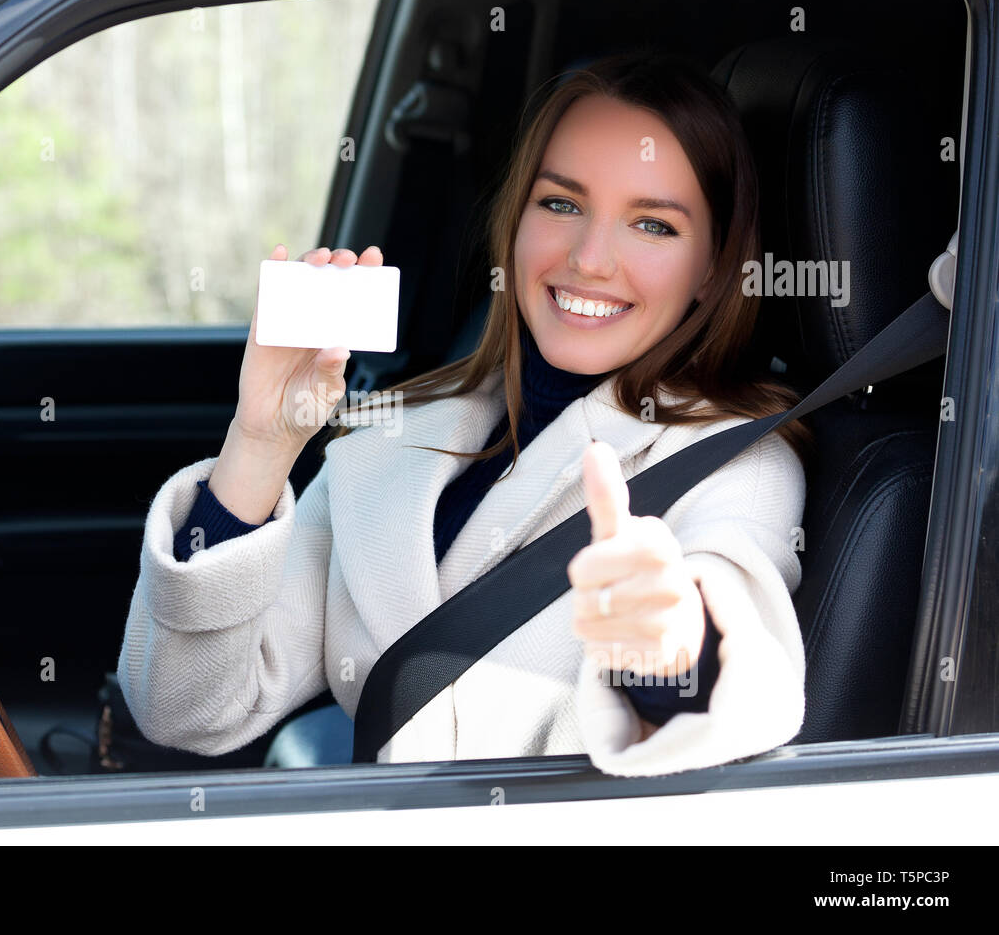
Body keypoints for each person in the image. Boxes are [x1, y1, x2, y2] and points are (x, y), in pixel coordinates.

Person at [117, 49, 815, 777]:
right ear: (515, 220)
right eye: (562, 204)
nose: (590, 259)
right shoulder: (397, 432)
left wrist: (666, 653)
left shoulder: (737, 461)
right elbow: (184, 710)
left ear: (710, 270)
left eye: (654, 225)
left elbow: (737, 677)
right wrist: (260, 441)